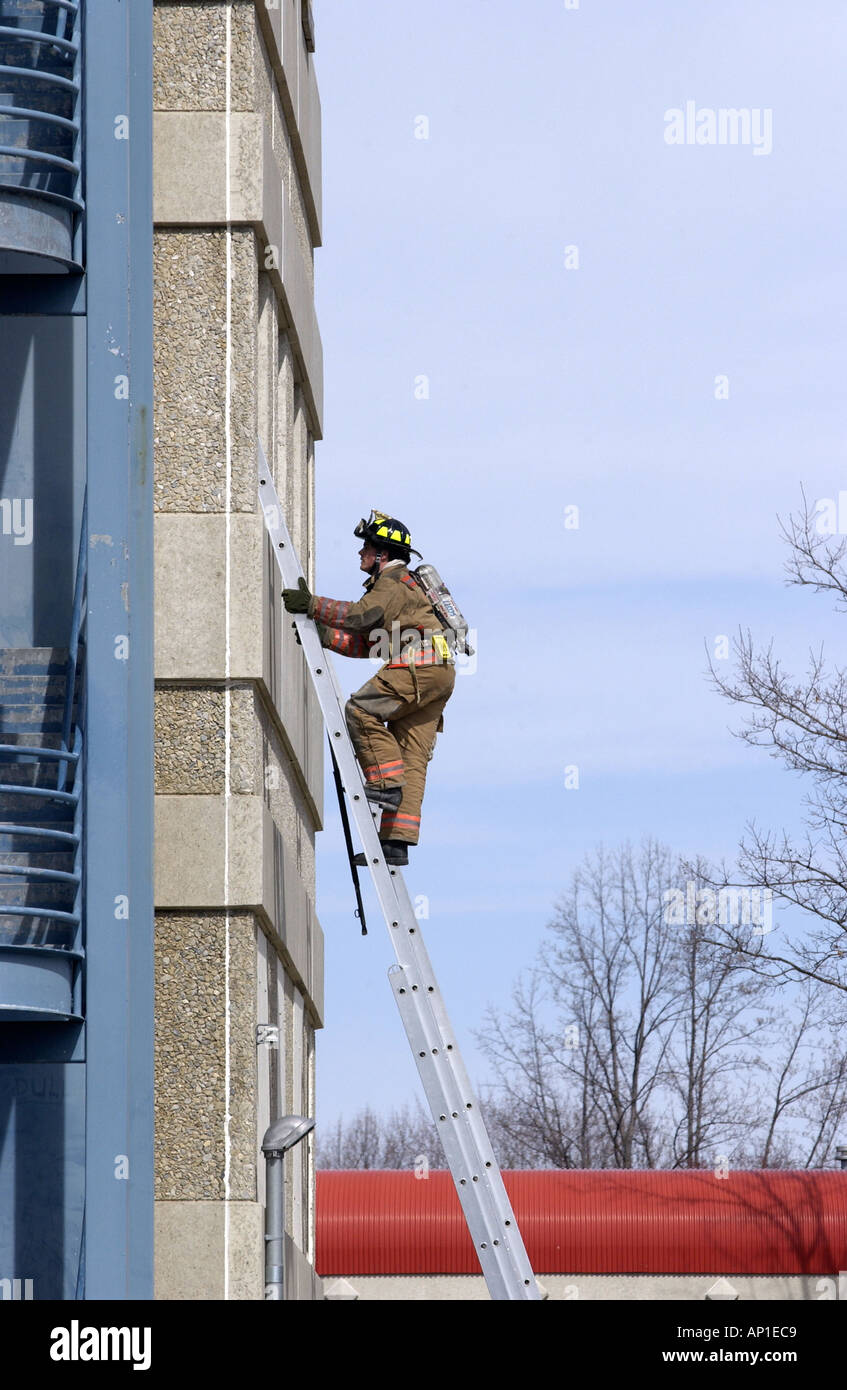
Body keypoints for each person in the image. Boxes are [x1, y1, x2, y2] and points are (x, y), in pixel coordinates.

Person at [282, 510, 454, 866]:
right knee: (412, 756)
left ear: (383, 554)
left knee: (360, 709)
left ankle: (384, 785)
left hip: (419, 667)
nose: (360, 553)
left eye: (367, 547)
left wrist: (311, 605)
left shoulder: (392, 581)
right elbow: (369, 644)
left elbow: (362, 615)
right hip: (438, 672)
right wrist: (324, 637)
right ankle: (396, 840)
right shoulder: (406, 589)